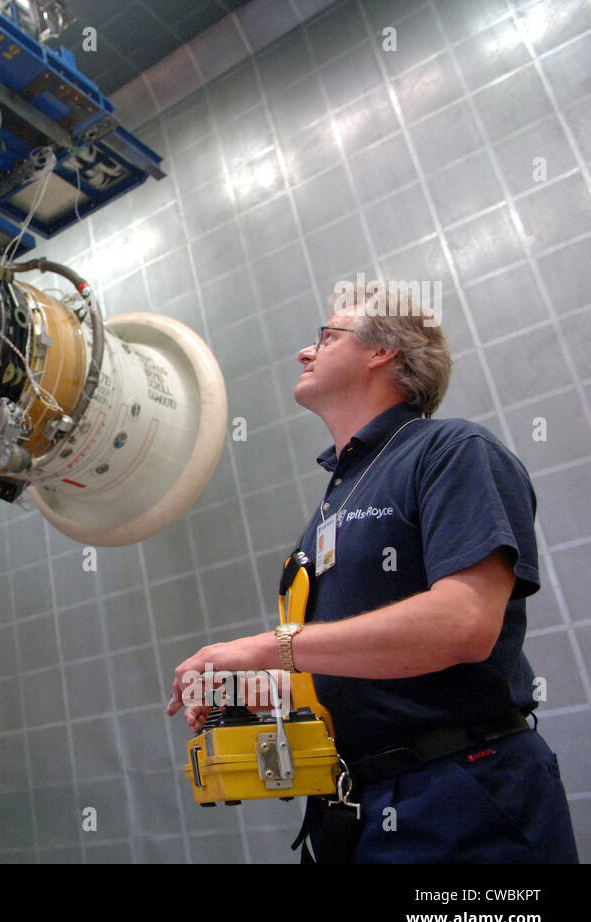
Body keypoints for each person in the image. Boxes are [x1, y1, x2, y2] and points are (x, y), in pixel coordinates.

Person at [165, 278, 579, 863]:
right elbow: (353, 670)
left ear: (383, 350)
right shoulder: (333, 501)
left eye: (326, 337)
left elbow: (463, 624)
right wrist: (257, 691)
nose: (305, 351)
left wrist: (266, 648)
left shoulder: (452, 451)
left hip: (460, 802)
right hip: (354, 814)